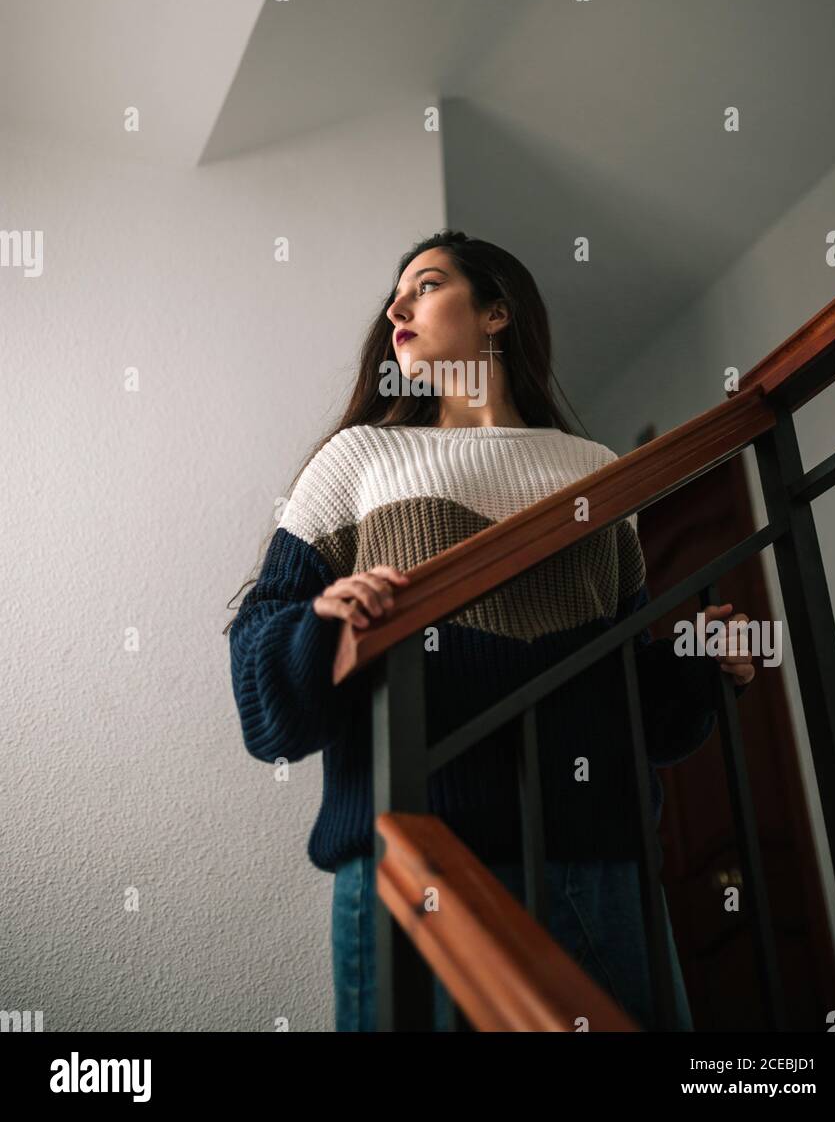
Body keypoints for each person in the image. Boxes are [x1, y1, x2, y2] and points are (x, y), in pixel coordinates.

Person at [225, 230, 755, 1032]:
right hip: (413, 858)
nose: (398, 305)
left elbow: (633, 692)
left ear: (497, 313)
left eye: (427, 285)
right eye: (395, 295)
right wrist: (319, 629)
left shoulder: (596, 471)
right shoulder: (357, 459)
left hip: (601, 867)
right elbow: (262, 685)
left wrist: (700, 662)